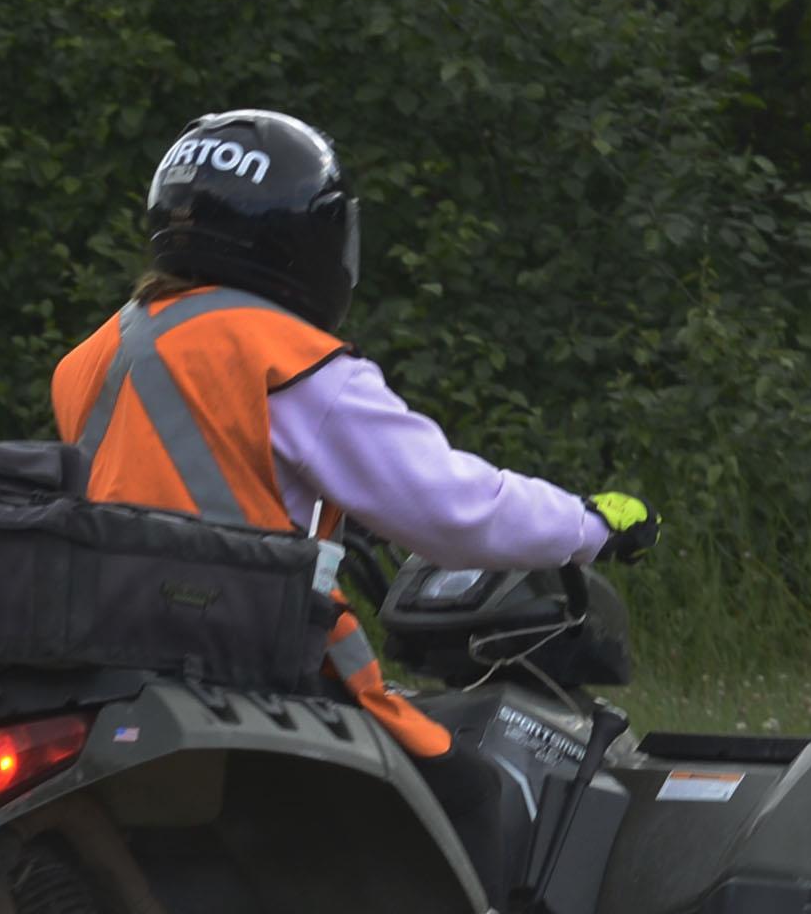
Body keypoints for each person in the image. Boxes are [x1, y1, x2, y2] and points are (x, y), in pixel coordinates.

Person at [50, 109, 645, 766]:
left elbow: (194, 485)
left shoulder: (96, 355)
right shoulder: (290, 358)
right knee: (475, 787)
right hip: (244, 664)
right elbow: (450, 508)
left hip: (113, 661)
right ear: (299, 237)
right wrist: (589, 524)